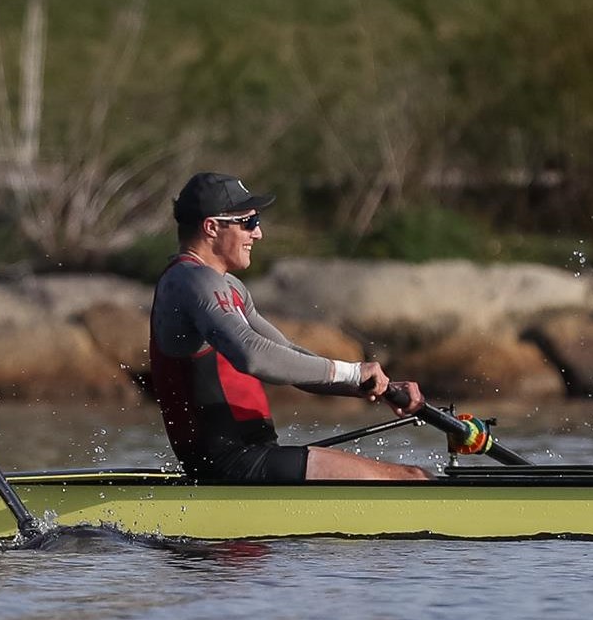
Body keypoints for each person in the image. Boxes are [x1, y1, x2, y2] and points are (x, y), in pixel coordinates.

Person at [149, 172, 431, 483]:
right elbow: (253, 356)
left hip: (251, 457)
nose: (258, 234)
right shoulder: (191, 281)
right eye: (249, 222)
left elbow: (286, 354)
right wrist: (352, 372)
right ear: (212, 227)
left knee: (414, 475)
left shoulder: (228, 287)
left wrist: (376, 387)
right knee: (413, 478)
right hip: (231, 463)